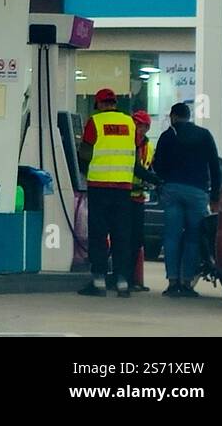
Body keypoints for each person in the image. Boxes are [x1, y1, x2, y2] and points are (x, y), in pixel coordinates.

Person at [151, 101, 222, 297]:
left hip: (172, 190)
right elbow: (214, 167)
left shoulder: (168, 135)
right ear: (188, 116)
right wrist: (215, 195)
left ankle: (172, 282)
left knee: (172, 236)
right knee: (193, 238)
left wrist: (164, 181)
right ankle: (187, 283)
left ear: (174, 117)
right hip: (197, 192)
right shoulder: (204, 135)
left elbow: (157, 166)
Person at [77, 88, 141, 297]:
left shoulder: (94, 122)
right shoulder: (130, 123)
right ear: (115, 103)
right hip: (123, 188)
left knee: (98, 234)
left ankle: (99, 281)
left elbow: (85, 153)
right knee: (121, 234)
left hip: (99, 186)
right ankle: (123, 282)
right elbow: (133, 153)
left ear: (98, 104)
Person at [128, 110, 155, 292]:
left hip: (138, 198)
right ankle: (125, 278)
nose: (139, 128)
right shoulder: (127, 143)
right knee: (124, 239)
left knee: (137, 240)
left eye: (142, 125)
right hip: (125, 197)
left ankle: (133, 279)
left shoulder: (148, 146)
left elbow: (147, 167)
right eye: (136, 124)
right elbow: (135, 168)